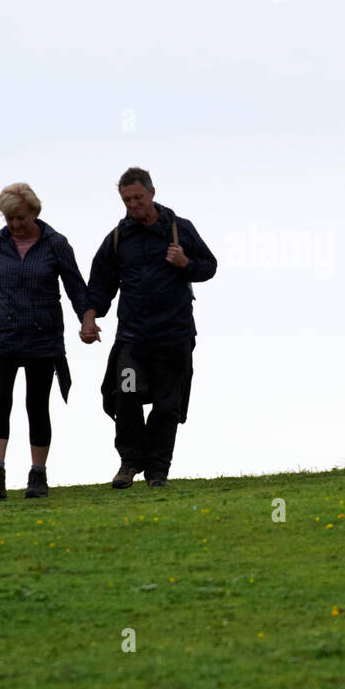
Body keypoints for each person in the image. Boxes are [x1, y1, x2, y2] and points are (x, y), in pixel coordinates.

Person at [80, 167, 217, 488]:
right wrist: (90, 317)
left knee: (168, 404)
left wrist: (187, 264)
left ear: (152, 194)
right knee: (125, 394)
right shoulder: (118, 238)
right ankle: (129, 463)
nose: (133, 204)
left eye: (138, 197)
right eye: (127, 199)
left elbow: (209, 266)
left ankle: (157, 471)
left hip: (175, 336)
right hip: (132, 339)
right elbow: (100, 282)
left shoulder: (179, 230)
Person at [0, 182, 89, 499]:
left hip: (42, 338)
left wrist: (87, 319)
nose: (15, 225)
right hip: (1, 336)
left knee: (37, 405)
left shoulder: (56, 244)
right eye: (9, 219)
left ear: (34, 212)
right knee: (0, 399)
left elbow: (75, 285)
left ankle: (38, 476)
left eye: (20, 218)